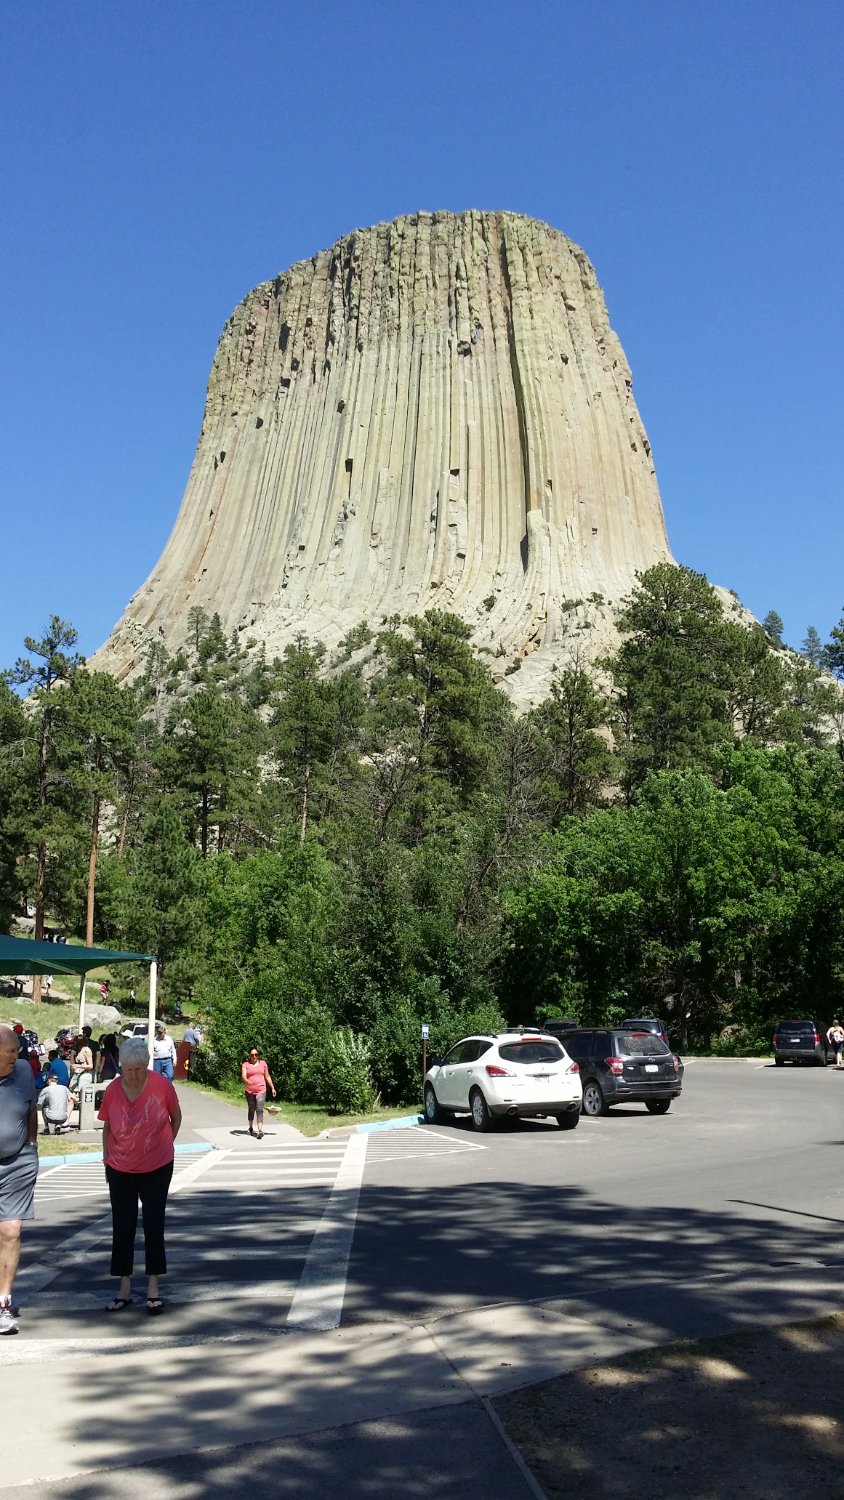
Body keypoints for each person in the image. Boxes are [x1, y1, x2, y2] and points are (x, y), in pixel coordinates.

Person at [97, 1037, 182, 1314]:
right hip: (120, 1166)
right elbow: (107, 1127)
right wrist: (107, 1160)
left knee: (154, 1225)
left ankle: (153, 1288)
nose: (132, 1075)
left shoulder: (161, 1086)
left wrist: (166, 1143)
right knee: (123, 1227)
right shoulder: (113, 1090)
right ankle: (123, 1289)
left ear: (146, 1066)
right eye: (128, 1069)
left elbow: (176, 1116)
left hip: (157, 1165)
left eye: (138, 1069)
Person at [0, 1024, 39, 1334]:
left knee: (11, 1231)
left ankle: (4, 1302)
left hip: (18, 1163)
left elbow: (31, 1106)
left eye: (17, 1050)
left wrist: (32, 1144)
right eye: (10, 1051)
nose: (17, 1056)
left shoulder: (24, 1070)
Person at [241, 1047, 276, 1139]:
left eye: (256, 1055)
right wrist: (247, 1081)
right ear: (249, 1056)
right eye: (252, 1055)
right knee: (251, 1109)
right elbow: (243, 1075)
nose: (254, 1056)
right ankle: (250, 1127)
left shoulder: (263, 1064)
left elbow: (267, 1076)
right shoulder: (246, 1064)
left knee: (259, 1108)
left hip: (261, 1089)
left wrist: (272, 1088)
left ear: (258, 1055)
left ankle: (260, 1130)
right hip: (249, 1091)